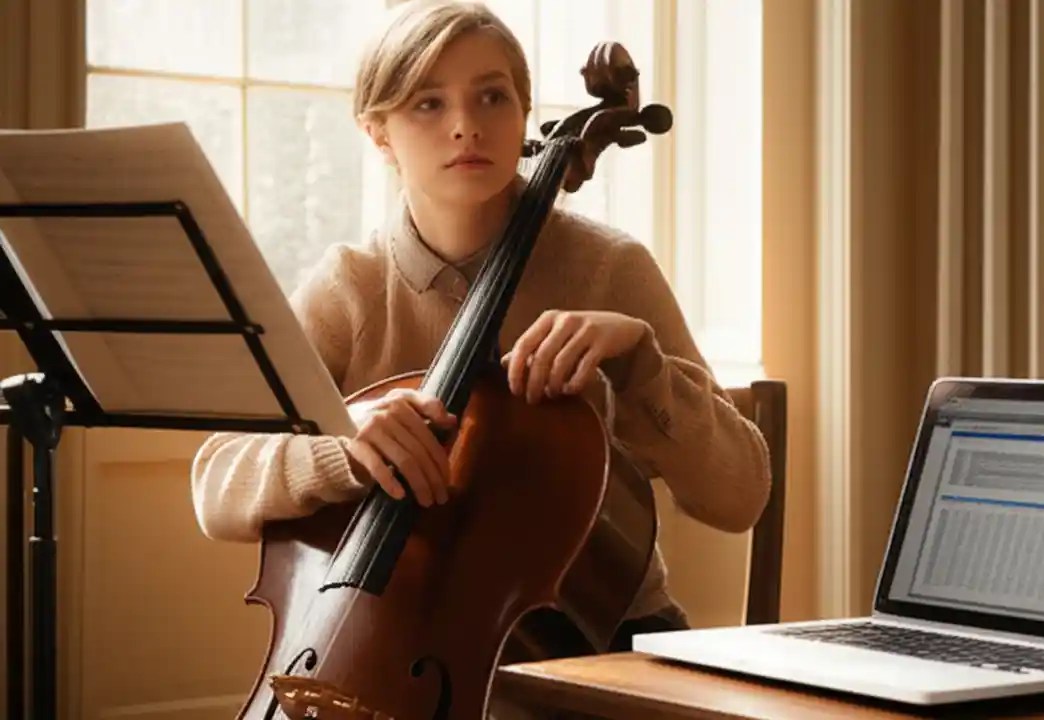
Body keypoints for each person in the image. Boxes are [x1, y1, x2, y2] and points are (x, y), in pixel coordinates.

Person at [191, 0, 770, 681]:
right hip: (399, 653)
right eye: (428, 104)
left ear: (524, 112)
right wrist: (341, 446)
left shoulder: (609, 269)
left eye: (492, 96)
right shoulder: (351, 286)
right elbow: (217, 483)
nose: (466, 126)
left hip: (599, 650)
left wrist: (643, 367)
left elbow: (740, 498)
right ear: (378, 134)